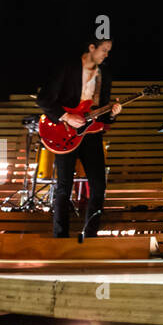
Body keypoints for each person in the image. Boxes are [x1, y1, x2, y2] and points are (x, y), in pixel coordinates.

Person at [37, 37, 123, 238]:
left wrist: (112, 113)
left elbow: (102, 114)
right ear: (91, 48)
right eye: (104, 49)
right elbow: (44, 99)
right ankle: (60, 236)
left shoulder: (104, 75)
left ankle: (90, 235)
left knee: (99, 185)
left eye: (109, 51)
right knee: (63, 187)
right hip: (64, 131)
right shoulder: (68, 68)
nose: (106, 54)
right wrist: (67, 116)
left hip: (91, 134)